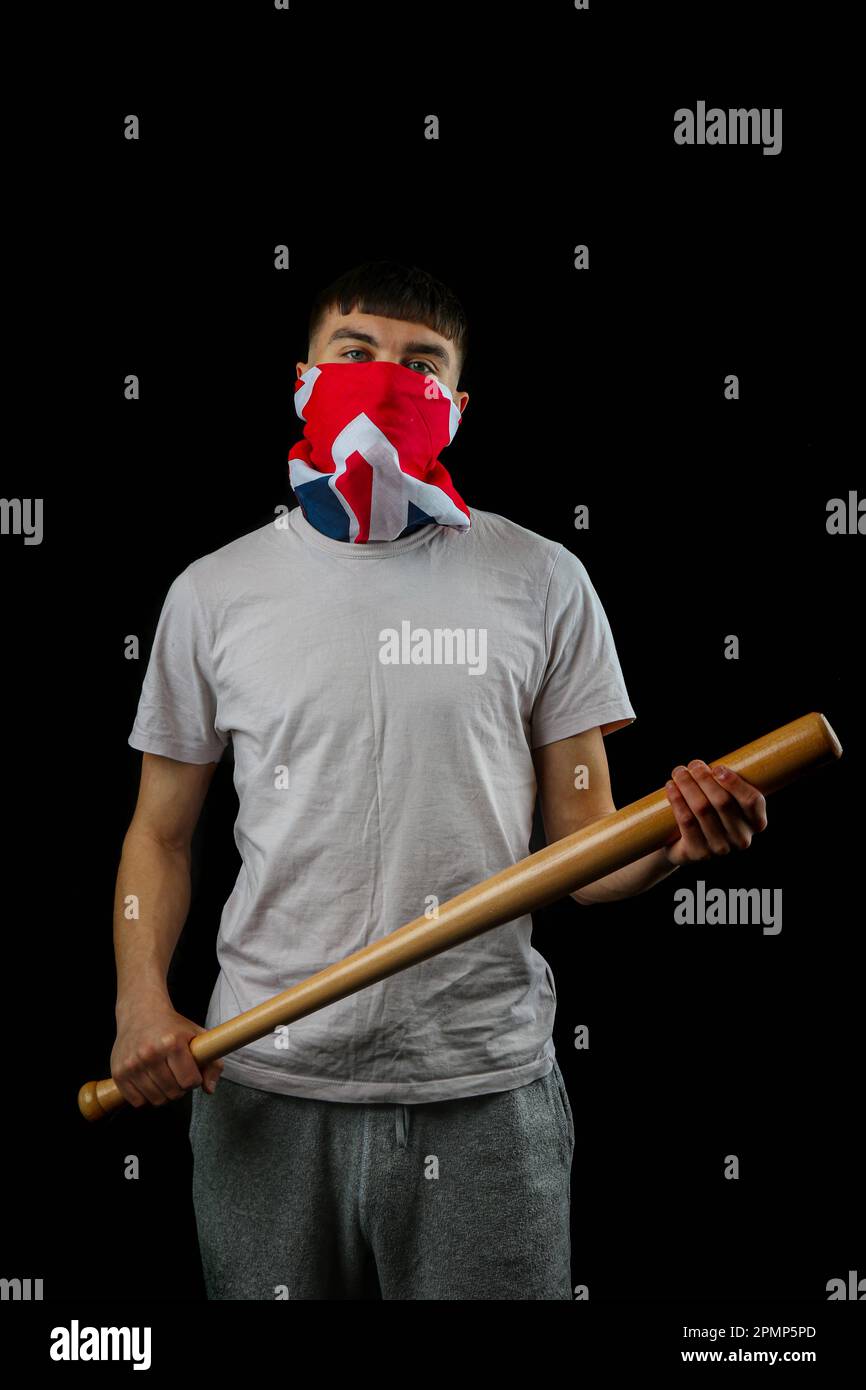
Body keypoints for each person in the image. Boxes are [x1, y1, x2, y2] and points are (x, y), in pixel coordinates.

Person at [111, 259, 768, 1300]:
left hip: (482, 1094)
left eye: (419, 364)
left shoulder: (541, 578)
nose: (383, 380)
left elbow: (582, 853)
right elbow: (159, 834)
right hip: (262, 1081)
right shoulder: (212, 592)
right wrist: (141, 1000)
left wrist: (670, 845)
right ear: (300, 380)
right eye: (354, 353)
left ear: (455, 407)